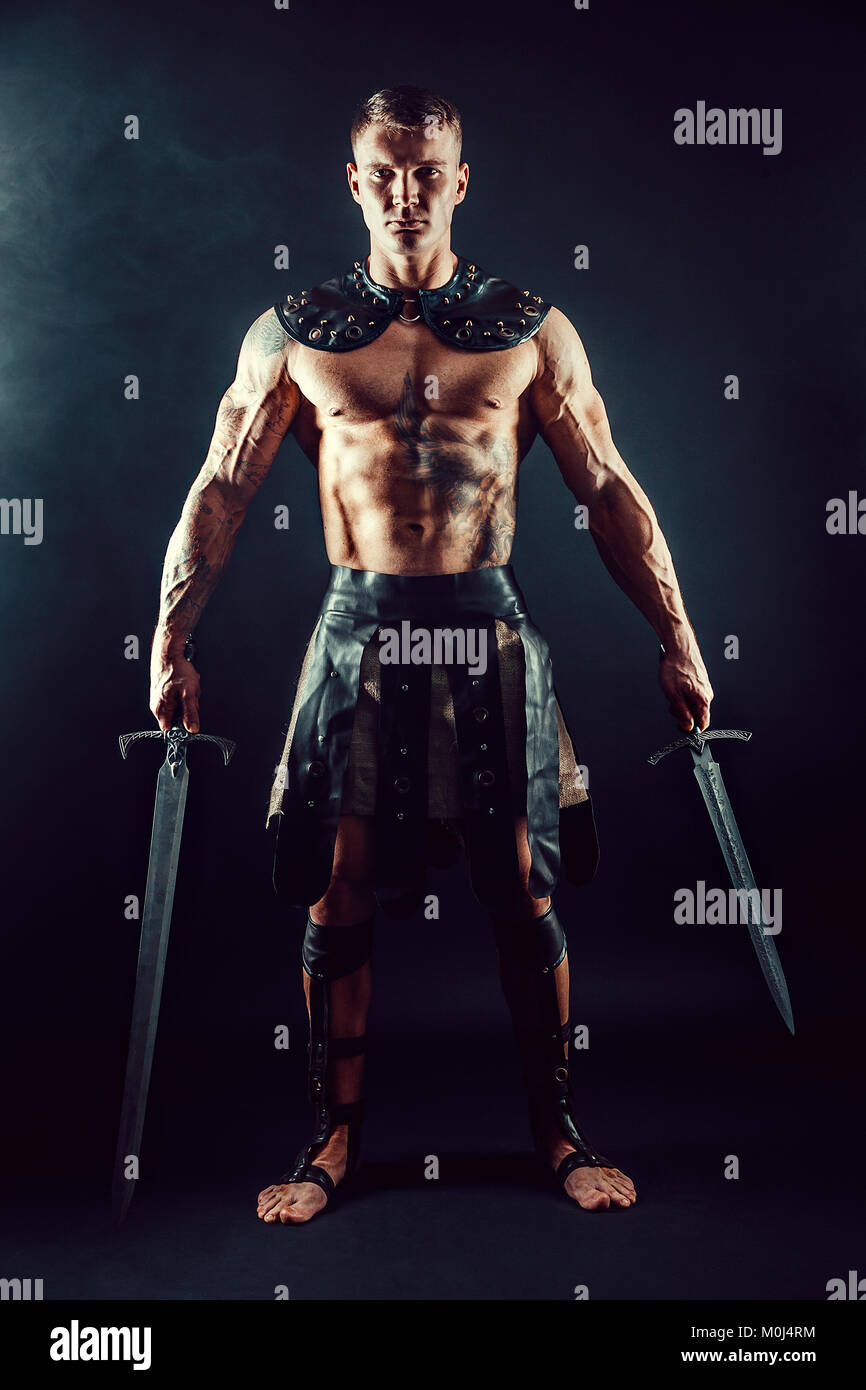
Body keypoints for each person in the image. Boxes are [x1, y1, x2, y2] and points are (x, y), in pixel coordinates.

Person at [149, 86, 713, 1223]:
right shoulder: (292, 334)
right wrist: (168, 634)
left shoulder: (529, 329)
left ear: (459, 181)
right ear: (354, 182)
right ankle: (332, 1141)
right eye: (384, 173)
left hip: (486, 627)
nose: (406, 194)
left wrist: (679, 640)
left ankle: (557, 1134)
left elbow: (606, 489)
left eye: (428, 173)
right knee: (335, 885)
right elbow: (218, 490)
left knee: (519, 882)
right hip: (356, 625)